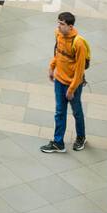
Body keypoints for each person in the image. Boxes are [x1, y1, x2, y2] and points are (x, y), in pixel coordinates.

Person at [41, 11, 89, 154]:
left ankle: (81, 137)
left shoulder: (78, 43)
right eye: (58, 23)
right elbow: (58, 54)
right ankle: (58, 143)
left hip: (73, 84)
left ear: (70, 26)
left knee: (77, 112)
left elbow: (79, 70)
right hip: (59, 81)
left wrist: (72, 89)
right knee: (59, 112)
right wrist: (52, 67)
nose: (59, 26)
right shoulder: (58, 34)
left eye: (62, 24)